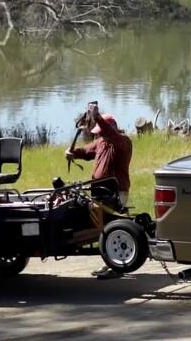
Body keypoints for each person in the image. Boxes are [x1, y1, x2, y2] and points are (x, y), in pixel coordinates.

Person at [66, 102, 134, 279]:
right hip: (101, 193)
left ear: (110, 129)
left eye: (102, 131)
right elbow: (86, 151)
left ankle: (116, 266)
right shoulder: (101, 142)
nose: (100, 135)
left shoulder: (123, 142)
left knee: (112, 230)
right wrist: (73, 153)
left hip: (116, 192)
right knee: (104, 230)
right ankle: (111, 263)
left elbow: (110, 134)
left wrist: (96, 117)